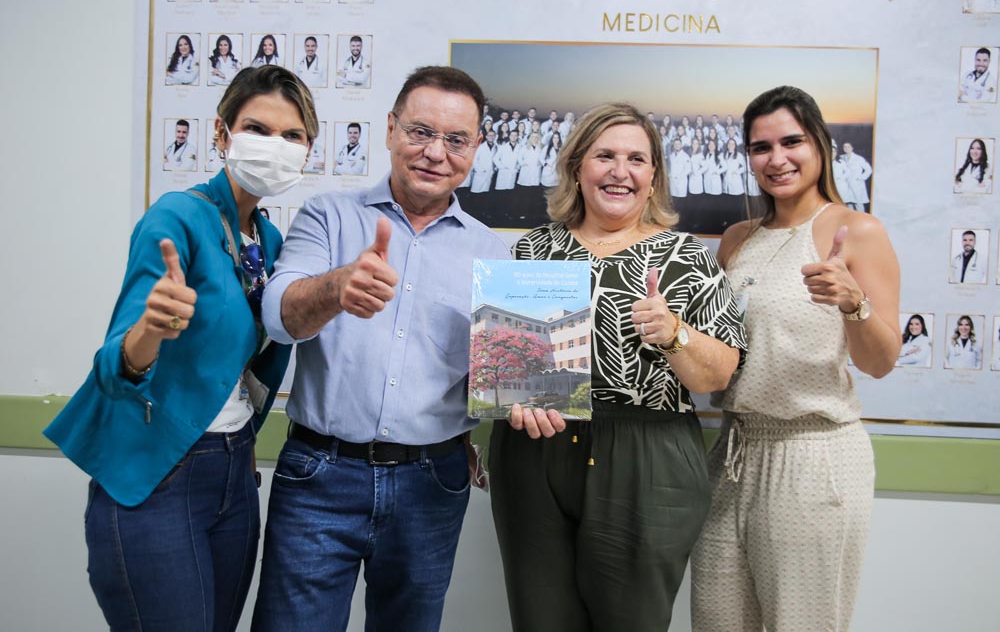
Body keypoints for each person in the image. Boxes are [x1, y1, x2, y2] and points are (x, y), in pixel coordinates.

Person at [43, 66, 317, 631]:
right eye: (257, 129)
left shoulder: (267, 240)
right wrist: (151, 329)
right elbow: (115, 368)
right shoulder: (178, 216)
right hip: (162, 473)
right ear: (221, 133)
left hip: (234, 472)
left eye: (292, 136)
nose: (275, 146)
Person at [251, 66, 510, 632]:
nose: (435, 153)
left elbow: (500, 384)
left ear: (476, 147)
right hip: (319, 475)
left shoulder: (493, 254)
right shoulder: (327, 216)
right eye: (420, 132)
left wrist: (528, 398)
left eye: (456, 139)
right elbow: (278, 318)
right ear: (391, 129)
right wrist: (336, 287)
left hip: (432, 482)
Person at [489, 103, 747, 632]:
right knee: (541, 620)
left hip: (647, 455)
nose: (619, 171)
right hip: (535, 447)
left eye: (636, 159)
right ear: (577, 167)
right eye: (604, 155)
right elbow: (507, 367)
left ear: (653, 177)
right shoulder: (532, 249)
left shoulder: (687, 256)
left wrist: (673, 333)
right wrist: (510, 395)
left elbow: (716, 376)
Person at [690, 85, 901, 632]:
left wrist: (854, 304)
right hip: (732, 452)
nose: (776, 159)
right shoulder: (737, 239)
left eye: (792, 142)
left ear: (820, 144)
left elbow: (880, 362)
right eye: (760, 147)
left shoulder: (858, 232)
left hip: (814, 453)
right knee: (715, 621)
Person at [839, 141, 872, 211]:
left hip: (856, 184)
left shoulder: (859, 158)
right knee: (849, 203)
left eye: (848, 147)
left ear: (852, 148)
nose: (846, 148)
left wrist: (860, 178)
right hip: (846, 184)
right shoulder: (841, 157)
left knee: (858, 203)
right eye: (844, 147)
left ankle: (861, 217)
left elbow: (869, 169)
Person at [471, 128, 498, 193]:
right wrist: (480, 170)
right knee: (477, 192)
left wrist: (495, 168)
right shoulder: (480, 147)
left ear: (495, 137)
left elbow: (495, 159)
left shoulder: (496, 147)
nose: (491, 137)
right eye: (489, 135)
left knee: (486, 193)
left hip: (490, 173)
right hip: (480, 173)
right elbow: (474, 159)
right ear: (486, 136)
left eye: (493, 135)